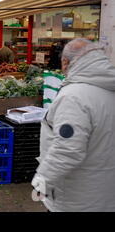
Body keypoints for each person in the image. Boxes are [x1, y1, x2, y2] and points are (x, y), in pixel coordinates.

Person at [32, 38, 115, 212]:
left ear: (65, 62)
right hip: (105, 193)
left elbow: (67, 150)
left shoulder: (74, 97)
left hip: (74, 198)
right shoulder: (108, 90)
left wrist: (42, 181)